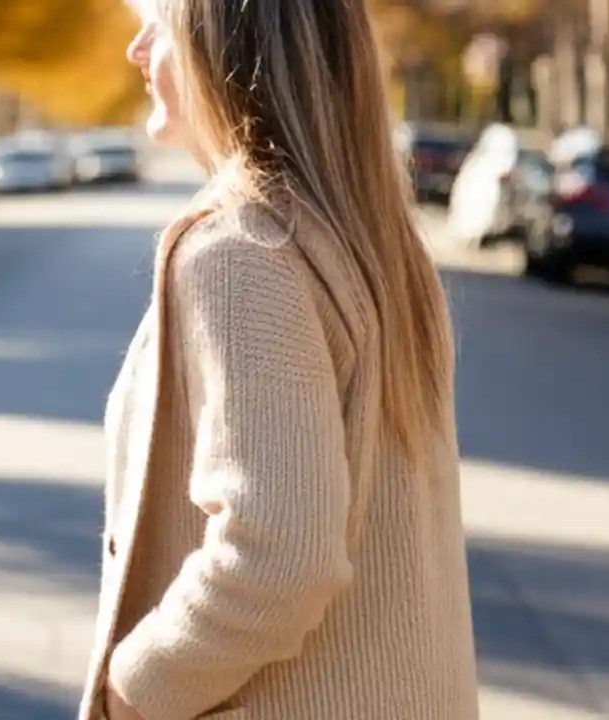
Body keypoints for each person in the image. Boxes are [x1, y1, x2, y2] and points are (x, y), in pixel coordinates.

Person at [81, 1, 479, 718]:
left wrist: (135, 685)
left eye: (160, 23)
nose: (138, 49)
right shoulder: (372, 247)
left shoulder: (242, 255)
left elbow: (278, 557)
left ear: (220, 48)